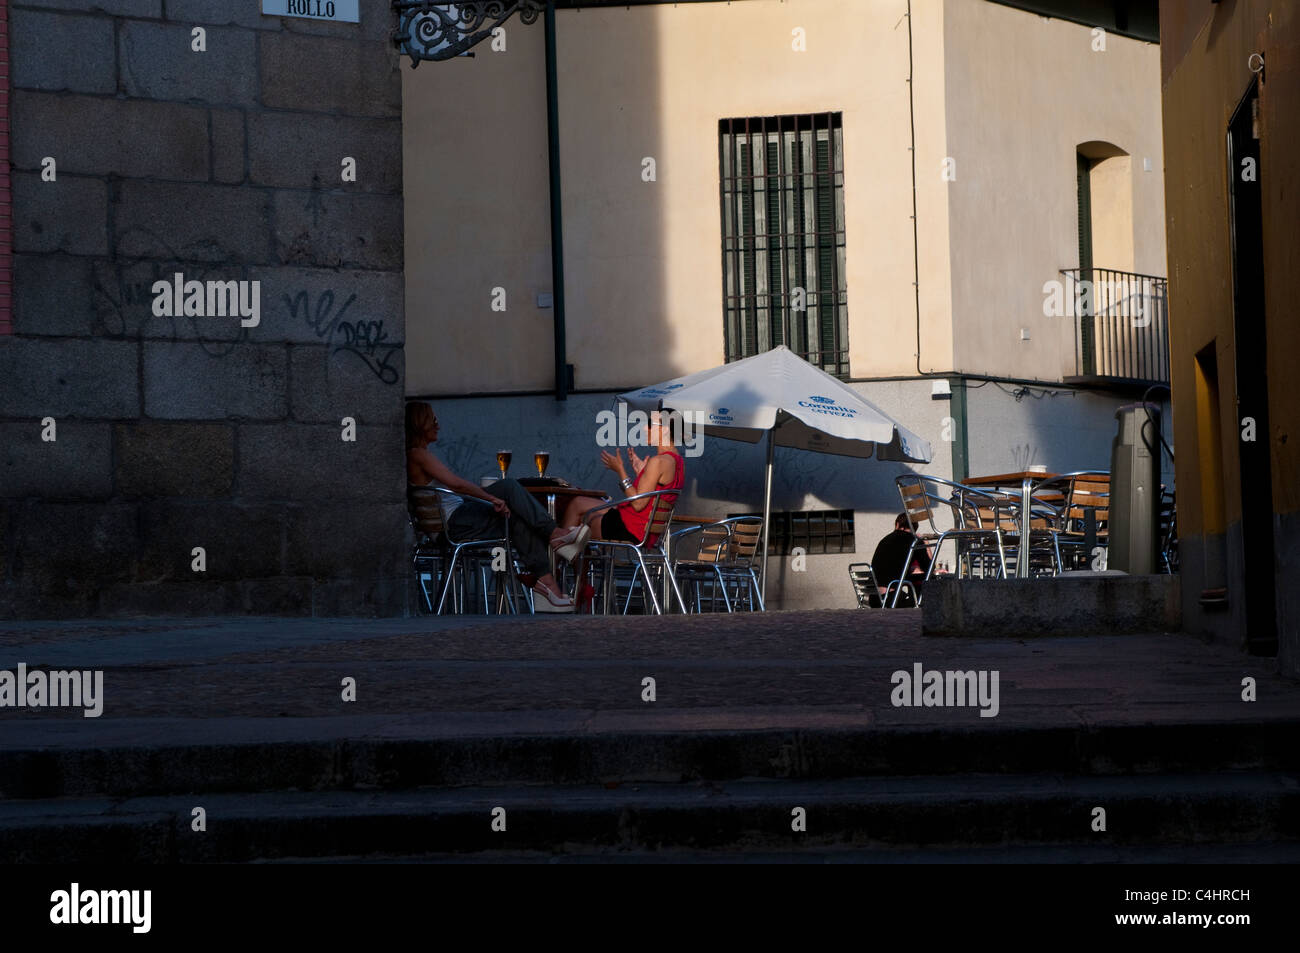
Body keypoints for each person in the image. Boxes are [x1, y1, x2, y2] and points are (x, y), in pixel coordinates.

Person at [405, 402, 575, 612]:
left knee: (515, 515)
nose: (438, 426)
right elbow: (456, 484)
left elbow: (455, 489)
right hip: (454, 524)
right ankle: (553, 537)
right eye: (434, 420)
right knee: (510, 487)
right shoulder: (418, 454)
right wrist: (490, 497)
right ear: (421, 424)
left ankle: (547, 583)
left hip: (457, 517)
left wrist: (487, 498)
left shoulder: (418, 454)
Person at [554, 408, 687, 609]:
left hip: (630, 529)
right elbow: (655, 493)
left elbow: (638, 503)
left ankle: (554, 578)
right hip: (645, 529)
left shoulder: (658, 461)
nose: (645, 427)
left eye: (651, 424)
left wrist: (621, 470)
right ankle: (576, 577)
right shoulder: (676, 461)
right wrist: (642, 471)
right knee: (577, 517)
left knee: (575, 511)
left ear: (665, 430)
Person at [870, 512, 933, 607]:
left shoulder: (884, 540)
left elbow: (890, 567)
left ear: (897, 524)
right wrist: (925, 544)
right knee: (922, 599)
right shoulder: (914, 541)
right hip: (891, 600)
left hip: (874, 598)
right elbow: (928, 568)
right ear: (914, 528)